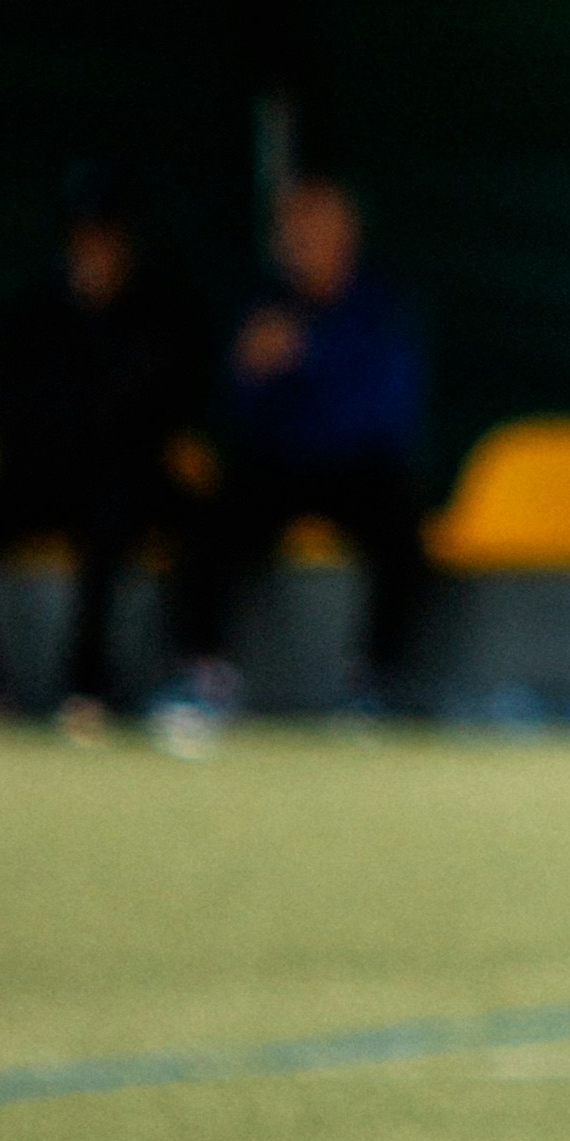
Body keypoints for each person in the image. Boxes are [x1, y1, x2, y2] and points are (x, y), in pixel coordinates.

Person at [0, 166, 200, 740]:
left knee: (118, 511)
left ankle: (89, 688)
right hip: (40, 483)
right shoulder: (31, 317)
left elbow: (159, 416)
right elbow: (15, 418)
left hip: (130, 484)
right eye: (82, 237)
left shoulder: (164, 313)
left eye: (105, 236)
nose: (93, 251)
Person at [153, 174, 430, 744]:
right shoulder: (264, 310)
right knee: (207, 523)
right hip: (276, 469)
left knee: (402, 529)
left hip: (358, 470)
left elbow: (389, 413)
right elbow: (239, 414)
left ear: (344, 236)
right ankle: (205, 676)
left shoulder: (380, 310)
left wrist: (310, 361)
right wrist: (254, 374)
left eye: (315, 231)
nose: (302, 245)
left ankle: (375, 684)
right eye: (292, 234)